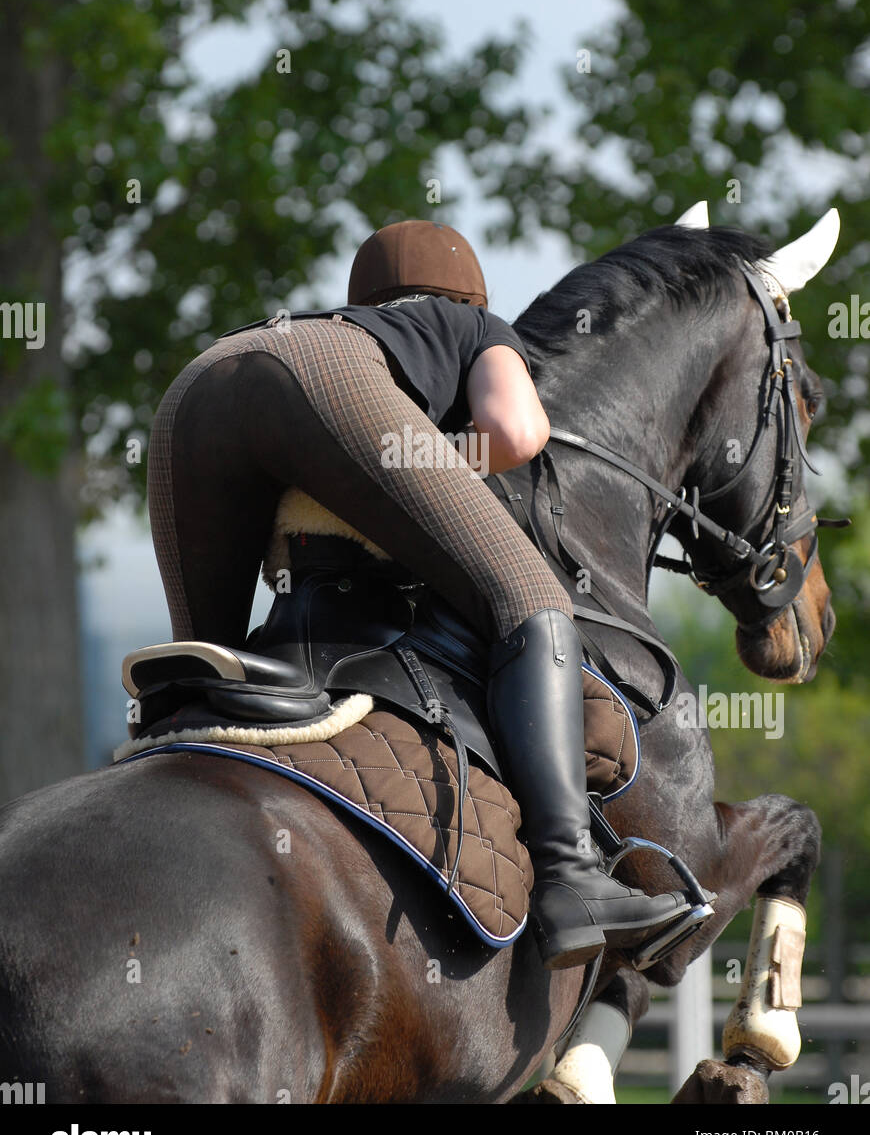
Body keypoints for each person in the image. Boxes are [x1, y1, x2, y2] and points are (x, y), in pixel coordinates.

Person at [147, 219, 697, 969]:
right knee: (530, 596)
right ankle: (572, 877)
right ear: (466, 294)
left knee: (208, 671)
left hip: (196, 388)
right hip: (317, 383)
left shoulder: (344, 325)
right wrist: (433, 462)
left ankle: (158, 775)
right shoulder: (475, 325)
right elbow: (517, 430)